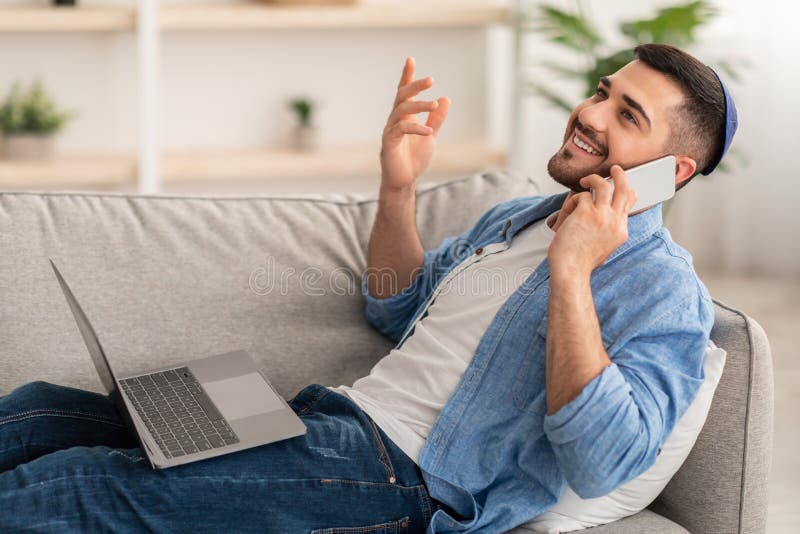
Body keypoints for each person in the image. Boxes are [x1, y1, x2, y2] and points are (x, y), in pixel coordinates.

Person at [0, 43, 736, 533]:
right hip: (325, 413)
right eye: (604, 93)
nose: (590, 113)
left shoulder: (663, 291)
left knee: (87, 489)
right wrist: (397, 187)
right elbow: (394, 304)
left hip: (404, 477)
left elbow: (605, 459)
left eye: (627, 116)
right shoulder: (521, 218)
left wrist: (573, 274)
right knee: (36, 414)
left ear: (670, 172)